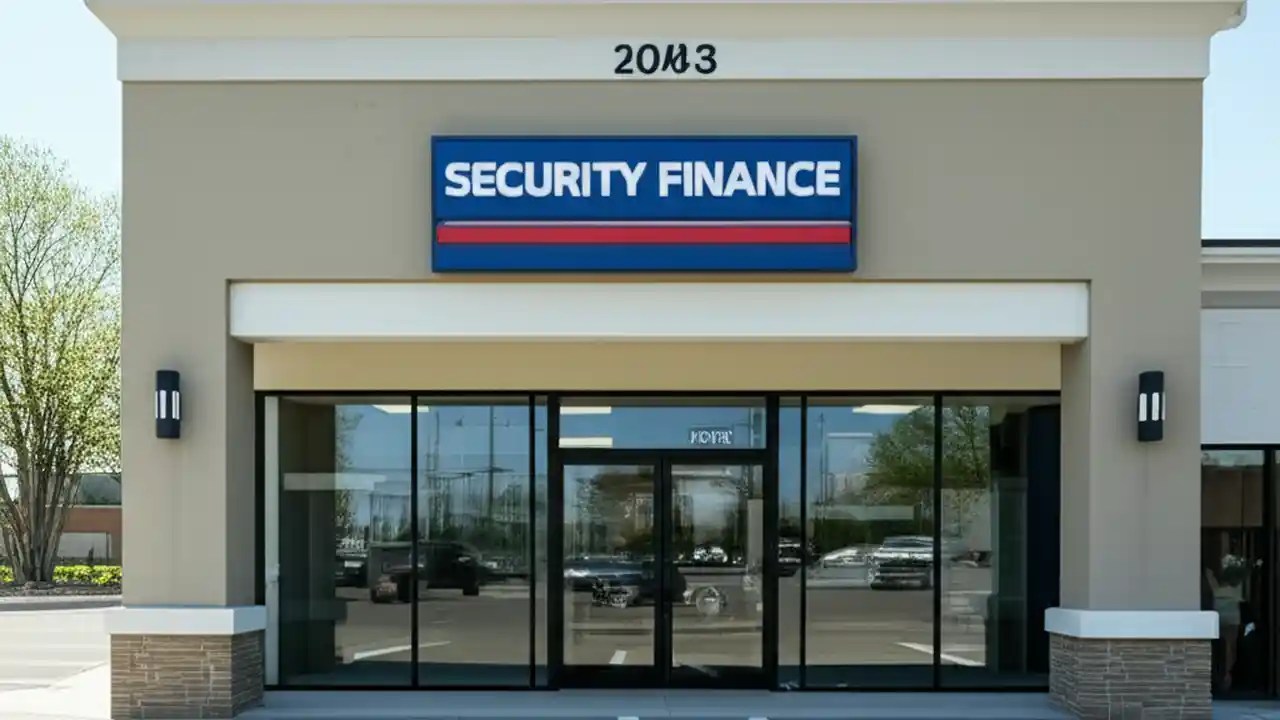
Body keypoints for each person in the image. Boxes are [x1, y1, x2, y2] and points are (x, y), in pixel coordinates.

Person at [1206, 556, 1245, 691]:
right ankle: (1226, 676)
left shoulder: (1217, 588)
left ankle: (1223, 677)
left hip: (1220, 621)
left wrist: (1209, 572)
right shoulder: (1237, 589)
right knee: (1230, 650)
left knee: (1221, 650)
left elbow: (1210, 578)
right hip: (1231, 622)